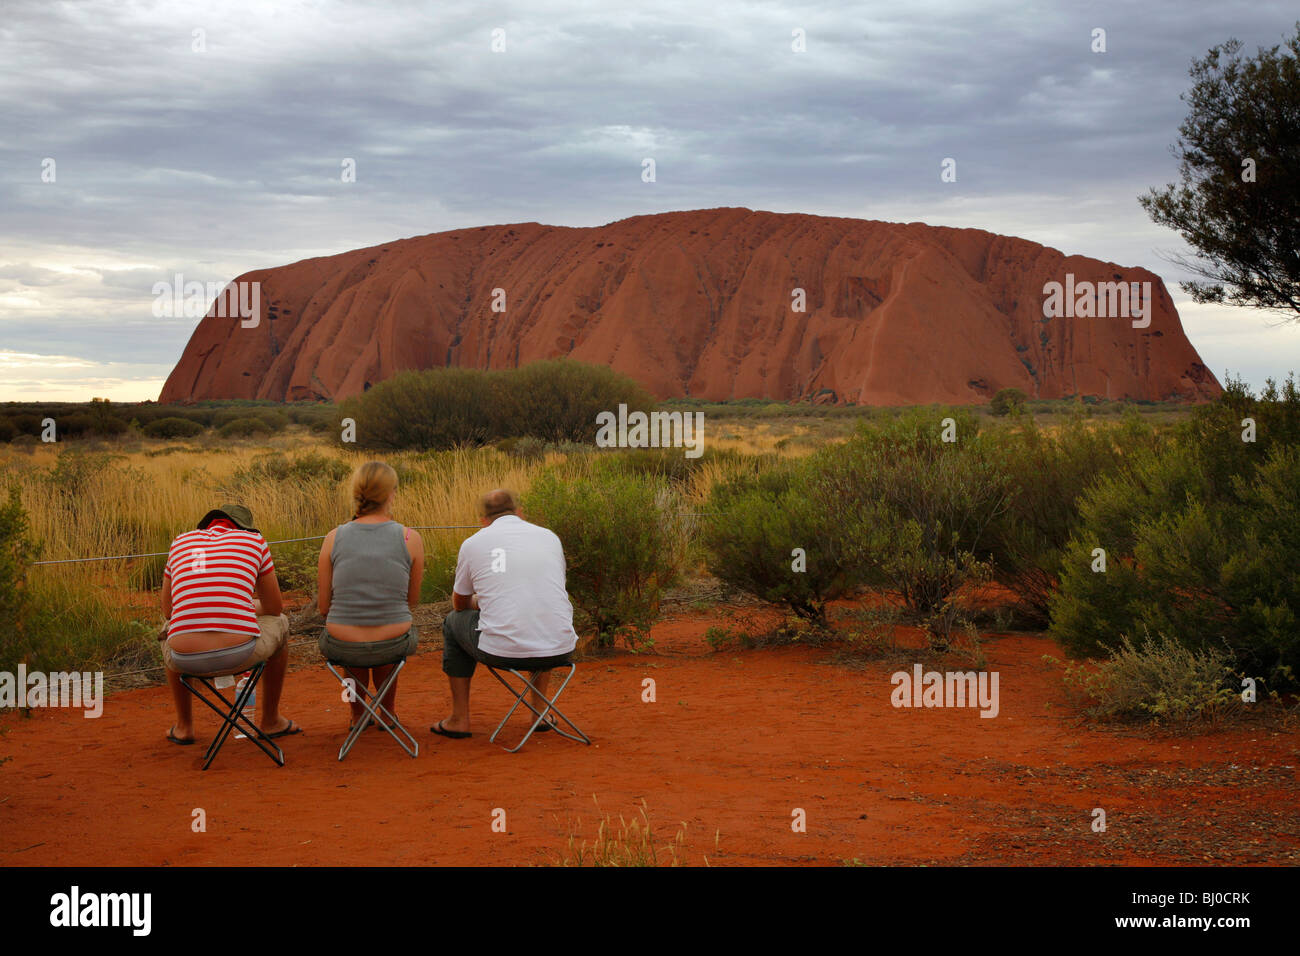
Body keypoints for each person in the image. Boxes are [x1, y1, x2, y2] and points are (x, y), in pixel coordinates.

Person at [434, 488, 577, 739]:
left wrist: (482, 602)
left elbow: (459, 603)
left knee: (452, 622)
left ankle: (459, 719)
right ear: (520, 513)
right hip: (559, 648)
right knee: (540, 613)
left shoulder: (474, 543)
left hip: (502, 652)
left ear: (483, 521)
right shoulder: (549, 537)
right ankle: (539, 712)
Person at [161, 503, 299, 744]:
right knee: (281, 623)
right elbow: (274, 608)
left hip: (184, 658)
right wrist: (243, 606)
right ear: (246, 528)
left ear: (205, 527)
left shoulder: (180, 542)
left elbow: (168, 611)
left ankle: (184, 726)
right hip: (240, 653)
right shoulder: (254, 542)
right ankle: (270, 720)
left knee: (169, 629)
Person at [317, 462, 424, 730]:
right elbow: (410, 602)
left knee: (353, 654)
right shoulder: (411, 537)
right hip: (394, 640)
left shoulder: (333, 537)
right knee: (388, 641)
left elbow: (323, 607)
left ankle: (357, 715)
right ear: (392, 494)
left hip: (343, 641)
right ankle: (387, 713)